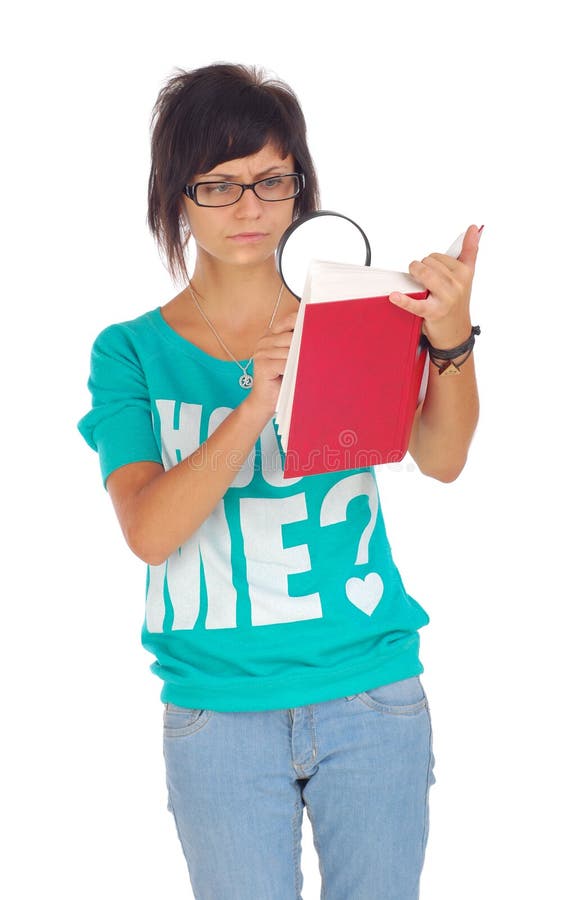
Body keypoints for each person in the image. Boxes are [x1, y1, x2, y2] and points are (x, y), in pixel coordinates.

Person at [77, 62, 481, 900]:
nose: (249, 207)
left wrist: (447, 337)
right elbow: (149, 530)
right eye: (217, 185)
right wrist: (257, 402)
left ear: (302, 188)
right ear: (176, 197)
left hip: (369, 693)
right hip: (215, 708)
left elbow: (441, 459)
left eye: (269, 180)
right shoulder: (129, 351)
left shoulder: (360, 312)